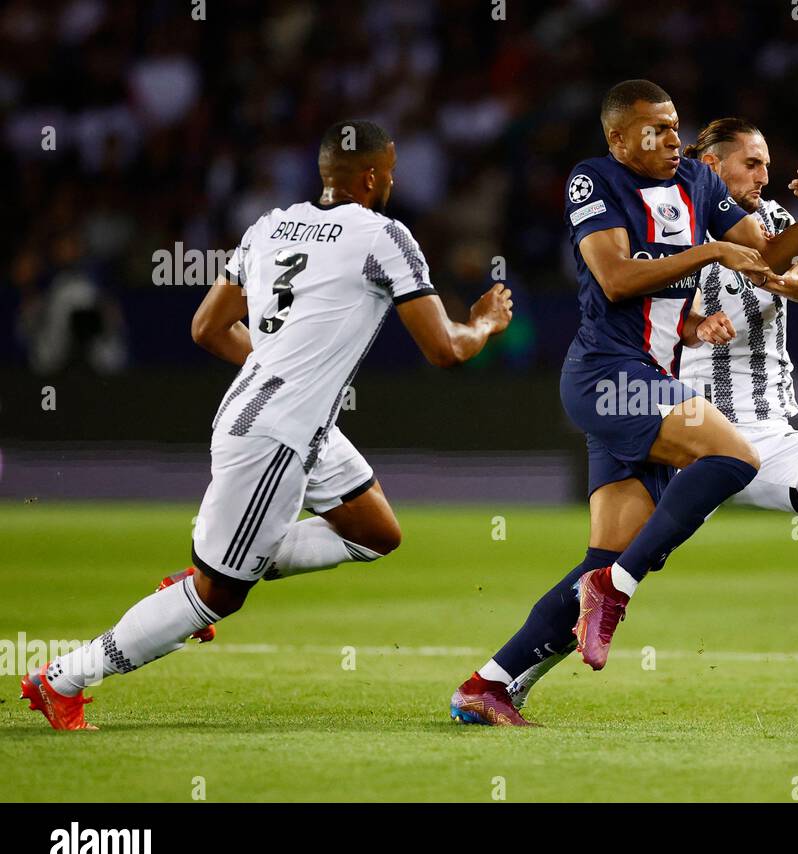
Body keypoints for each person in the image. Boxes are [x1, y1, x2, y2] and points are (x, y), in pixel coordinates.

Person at [20, 120, 512, 730]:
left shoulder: (267, 228)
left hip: (293, 422)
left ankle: (219, 559)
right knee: (218, 597)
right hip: (276, 435)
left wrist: (277, 365)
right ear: (372, 175)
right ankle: (62, 679)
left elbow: (205, 328)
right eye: (390, 171)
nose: (392, 181)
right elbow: (445, 350)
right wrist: (486, 323)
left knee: (375, 533)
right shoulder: (386, 236)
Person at [450, 81, 798, 725]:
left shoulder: (698, 183)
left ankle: (488, 683)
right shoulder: (594, 180)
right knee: (734, 456)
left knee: (605, 555)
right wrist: (711, 250)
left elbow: (767, 256)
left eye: (676, 124)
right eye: (656, 128)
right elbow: (615, 277)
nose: (672, 138)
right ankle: (614, 590)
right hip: (608, 374)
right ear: (618, 138)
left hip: (650, 379)